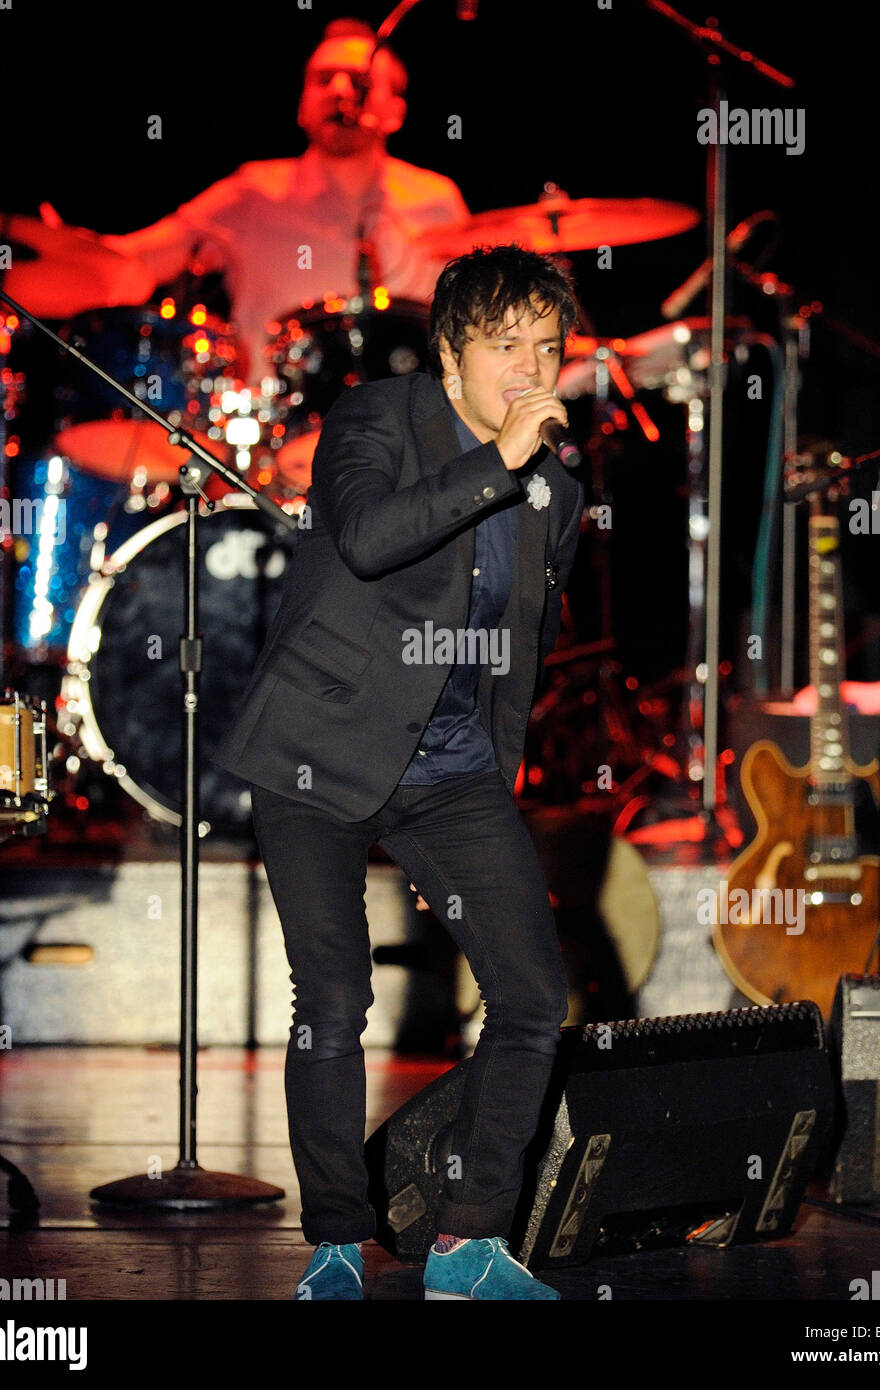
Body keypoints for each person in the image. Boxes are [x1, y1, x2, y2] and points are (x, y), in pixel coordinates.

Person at [211, 244, 585, 1299]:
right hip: (317, 751)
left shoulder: (552, 489)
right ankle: (334, 1240)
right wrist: (496, 461)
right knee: (332, 1001)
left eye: (545, 348)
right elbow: (369, 538)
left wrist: (492, 791)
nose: (528, 366)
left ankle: (467, 1244)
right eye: (503, 344)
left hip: (451, 767)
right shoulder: (375, 419)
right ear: (451, 356)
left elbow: (519, 647)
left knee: (529, 994)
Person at [102, 18, 469, 376]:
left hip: (414, 420)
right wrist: (64, 249)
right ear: (302, 107)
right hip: (281, 429)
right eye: (324, 80)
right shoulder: (252, 192)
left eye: (360, 81)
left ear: (396, 112)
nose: (340, 91)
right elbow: (128, 264)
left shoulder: (438, 199)